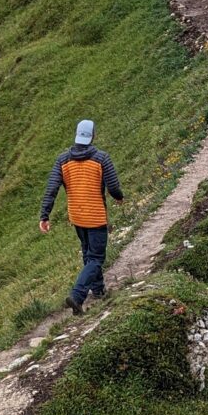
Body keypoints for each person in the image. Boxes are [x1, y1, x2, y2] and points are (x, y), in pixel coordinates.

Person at [40, 119, 124, 313]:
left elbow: (51, 189)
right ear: (93, 136)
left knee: (88, 253)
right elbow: (112, 186)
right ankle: (77, 296)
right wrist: (119, 197)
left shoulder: (62, 160)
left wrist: (44, 215)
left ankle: (99, 290)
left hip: (76, 216)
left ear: (76, 135)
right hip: (95, 216)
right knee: (95, 258)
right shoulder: (102, 158)